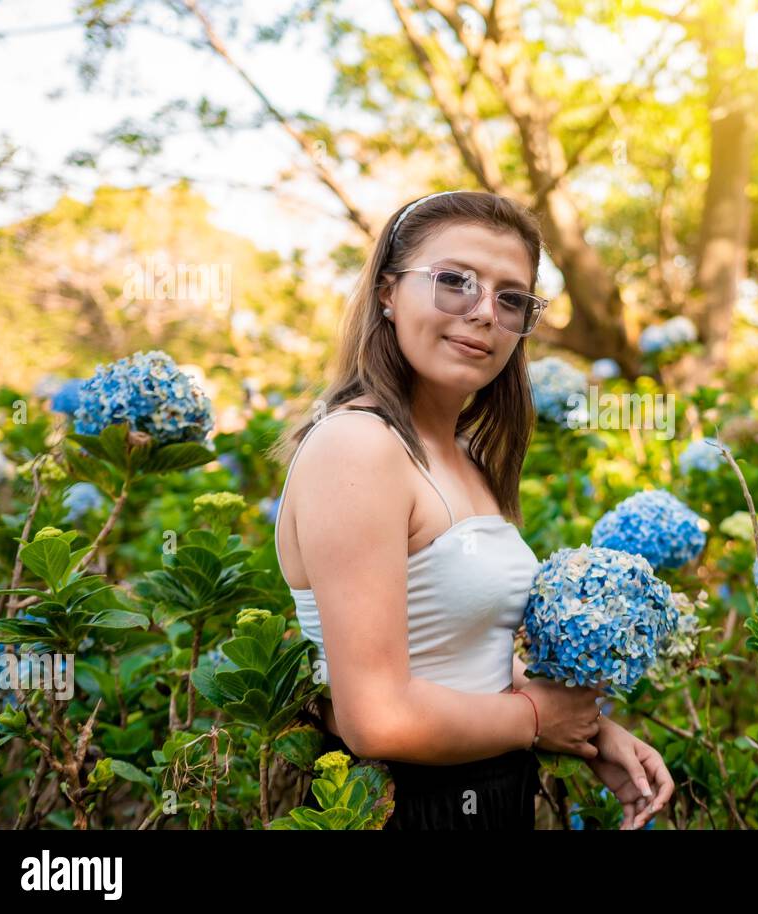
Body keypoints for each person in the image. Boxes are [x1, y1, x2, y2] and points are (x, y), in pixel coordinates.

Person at [269, 190, 673, 829]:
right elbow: (376, 719)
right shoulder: (358, 447)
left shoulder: (464, 455)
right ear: (387, 292)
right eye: (454, 282)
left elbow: (459, 652)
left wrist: (589, 732)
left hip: (494, 793)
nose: (484, 312)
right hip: (400, 807)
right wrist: (539, 718)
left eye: (511, 298)